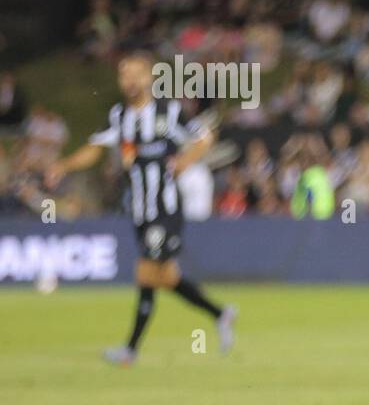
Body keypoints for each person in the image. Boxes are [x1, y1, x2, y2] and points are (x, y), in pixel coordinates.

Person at [44, 53, 236, 365]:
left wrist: (186, 161)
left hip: (166, 209)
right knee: (166, 277)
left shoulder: (168, 111)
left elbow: (205, 137)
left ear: (149, 78)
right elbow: (95, 148)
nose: (130, 80)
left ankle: (129, 350)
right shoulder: (119, 116)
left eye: (136, 74)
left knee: (145, 273)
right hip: (140, 211)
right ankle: (221, 314)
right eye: (124, 75)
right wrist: (64, 165)